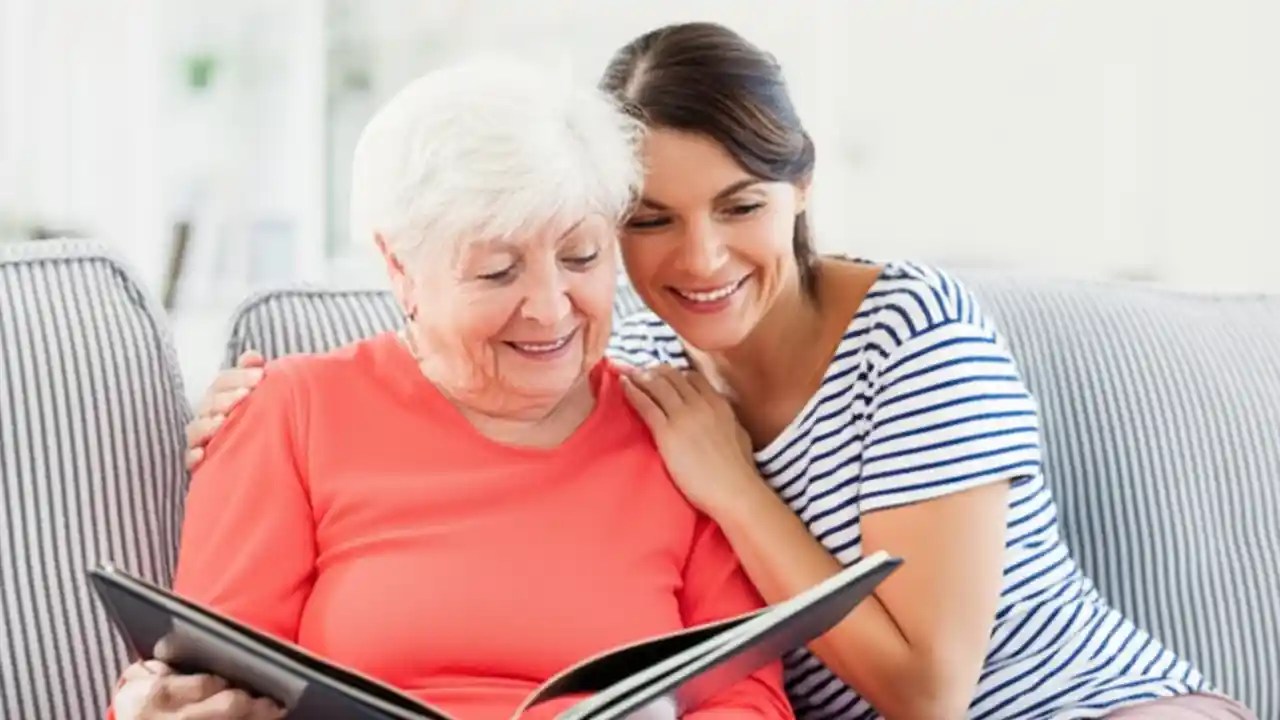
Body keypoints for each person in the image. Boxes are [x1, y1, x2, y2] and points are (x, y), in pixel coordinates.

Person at [188, 23, 1257, 720]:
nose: (697, 260)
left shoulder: (903, 339)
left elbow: (925, 694)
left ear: (799, 188)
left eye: (740, 205)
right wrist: (257, 413)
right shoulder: (640, 355)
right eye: (650, 222)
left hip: (1080, 706)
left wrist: (731, 486)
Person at [109, 57, 796, 720]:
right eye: (498, 272)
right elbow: (202, 680)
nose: (552, 308)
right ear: (399, 268)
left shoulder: (678, 431)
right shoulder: (291, 414)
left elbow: (748, 696)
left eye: (580, 257)